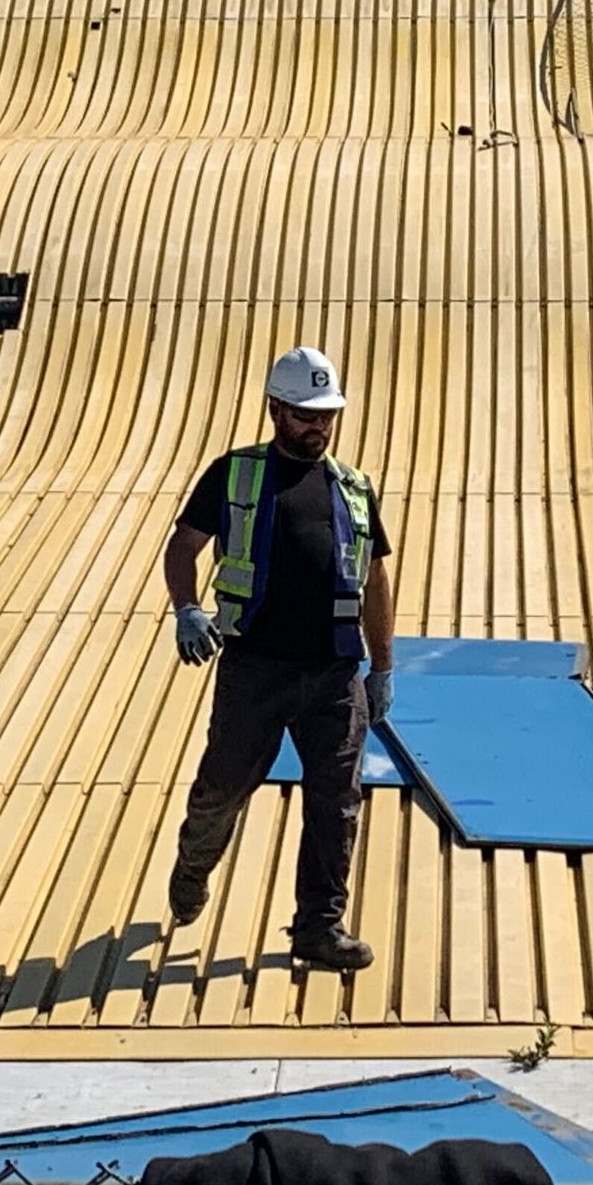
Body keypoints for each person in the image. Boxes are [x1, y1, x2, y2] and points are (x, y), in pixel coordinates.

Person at [161, 347, 396, 973]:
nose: (319, 426)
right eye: (306, 415)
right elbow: (183, 547)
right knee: (222, 789)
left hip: (334, 675)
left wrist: (382, 668)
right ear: (275, 410)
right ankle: (193, 866)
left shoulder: (353, 488)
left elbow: (375, 579)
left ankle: (319, 927)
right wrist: (187, 609)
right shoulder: (234, 474)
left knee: (336, 804)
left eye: (327, 415)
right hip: (255, 670)